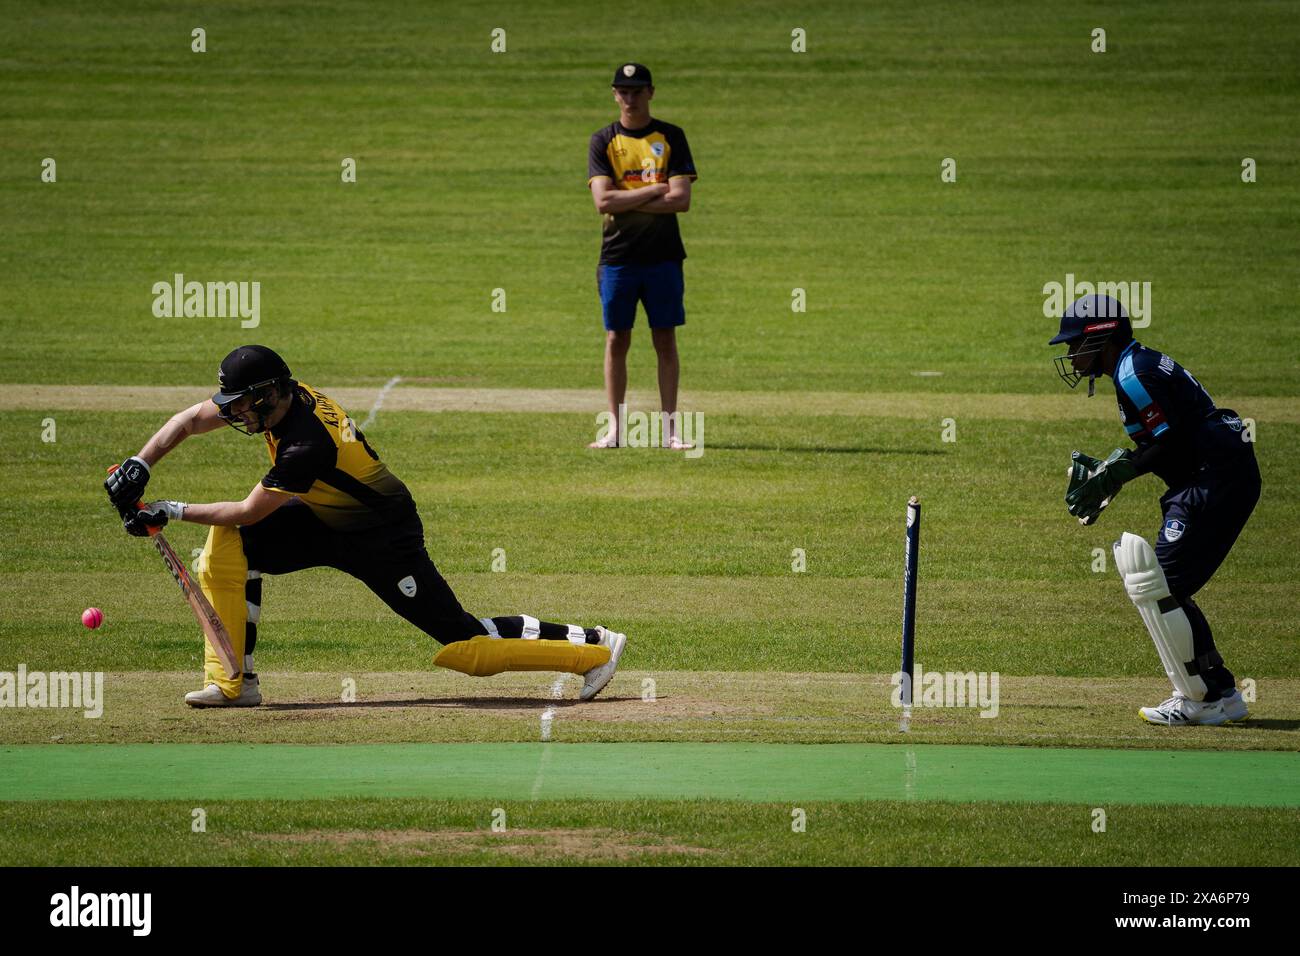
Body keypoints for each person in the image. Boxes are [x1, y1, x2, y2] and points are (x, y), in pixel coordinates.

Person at [103, 345, 627, 707]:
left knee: (468, 645)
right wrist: (140, 464)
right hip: (324, 519)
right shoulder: (284, 397)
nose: (234, 415)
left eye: (240, 405)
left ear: (265, 395)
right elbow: (192, 420)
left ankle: (594, 647)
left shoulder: (306, 443)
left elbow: (249, 509)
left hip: (382, 537)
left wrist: (168, 511)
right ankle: (233, 681)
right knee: (230, 548)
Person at [1049, 294, 1258, 726]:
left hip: (1212, 478)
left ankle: (1200, 700)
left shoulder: (1133, 374)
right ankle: (1222, 695)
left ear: (1100, 338)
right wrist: (1118, 469)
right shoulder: (1136, 363)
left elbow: (1172, 442)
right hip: (1211, 475)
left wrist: (1118, 474)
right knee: (1163, 584)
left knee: (1158, 584)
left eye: (1074, 345)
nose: (1070, 354)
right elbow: (1165, 442)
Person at [586, 62, 698, 449]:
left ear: (651, 92)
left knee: (664, 338)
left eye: (637, 90)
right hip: (617, 256)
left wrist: (627, 199)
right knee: (617, 337)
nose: (629, 97)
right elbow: (603, 200)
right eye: (623, 91)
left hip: (664, 256)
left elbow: (681, 199)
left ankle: (670, 430)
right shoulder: (603, 141)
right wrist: (654, 190)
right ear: (615, 94)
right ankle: (615, 428)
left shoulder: (670, 137)